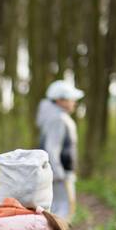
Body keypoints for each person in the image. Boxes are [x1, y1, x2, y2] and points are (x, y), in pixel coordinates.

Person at [35, 79, 84, 220]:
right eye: (71, 99)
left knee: (58, 209)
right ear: (59, 100)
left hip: (59, 174)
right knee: (63, 211)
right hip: (60, 175)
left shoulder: (55, 117)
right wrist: (59, 174)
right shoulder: (58, 119)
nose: (74, 102)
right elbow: (52, 149)